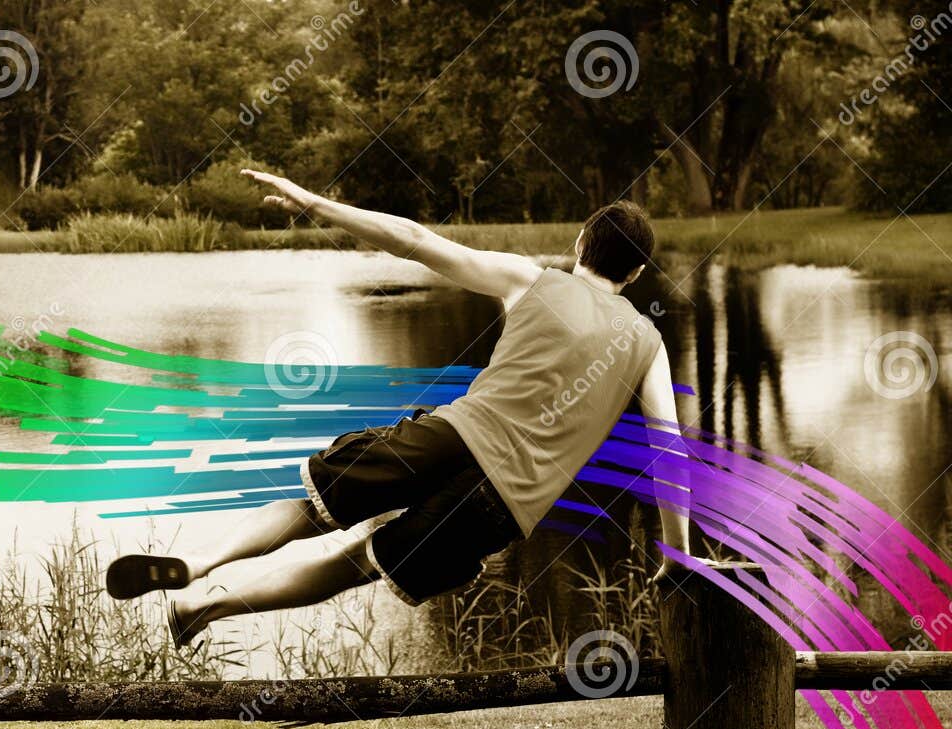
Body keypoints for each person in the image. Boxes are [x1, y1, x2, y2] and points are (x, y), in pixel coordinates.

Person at [105, 169, 691, 645]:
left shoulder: (532, 280)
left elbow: (415, 241)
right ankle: (206, 608)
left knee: (313, 507)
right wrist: (677, 555)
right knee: (359, 561)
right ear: (637, 273)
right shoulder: (645, 342)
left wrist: (317, 205)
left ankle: (199, 559)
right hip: (504, 504)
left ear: (581, 244)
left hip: (453, 436)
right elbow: (669, 457)